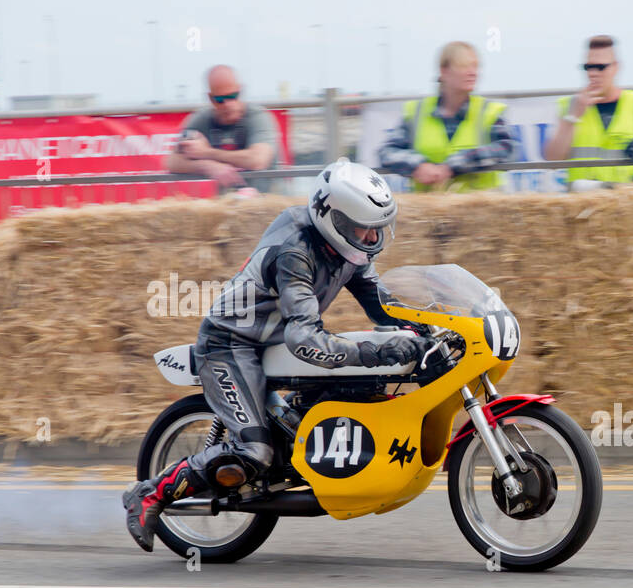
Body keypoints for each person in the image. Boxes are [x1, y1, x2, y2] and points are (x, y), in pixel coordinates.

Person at [122, 159, 429, 553]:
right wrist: (377, 351)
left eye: (377, 228)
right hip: (231, 344)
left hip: (273, 341)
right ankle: (148, 494)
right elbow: (307, 341)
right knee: (254, 453)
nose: (371, 238)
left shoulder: (349, 249)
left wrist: (431, 326)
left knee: (355, 387)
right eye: (361, 227)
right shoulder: (295, 253)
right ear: (330, 217)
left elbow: (386, 305)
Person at [378, 41, 517, 192]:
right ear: (444, 71)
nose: (473, 72)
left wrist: (457, 163)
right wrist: (418, 165)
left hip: (480, 212)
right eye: (464, 66)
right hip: (429, 210)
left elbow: (507, 148)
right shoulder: (416, 112)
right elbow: (387, 152)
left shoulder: (489, 111)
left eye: (475, 66)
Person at [543, 35, 633, 188]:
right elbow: (553, 161)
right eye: (588, 67)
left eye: (600, 67)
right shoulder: (569, 107)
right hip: (583, 205)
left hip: (629, 204)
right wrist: (572, 118)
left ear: (616, 68)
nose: (593, 73)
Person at [165, 64, 278, 190]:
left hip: (268, 201)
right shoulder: (201, 119)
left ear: (240, 91)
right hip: (228, 205)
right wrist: (207, 166)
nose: (228, 104)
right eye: (220, 99)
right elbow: (172, 162)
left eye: (232, 96)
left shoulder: (258, 116)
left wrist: (206, 153)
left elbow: (258, 160)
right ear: (211, 98)